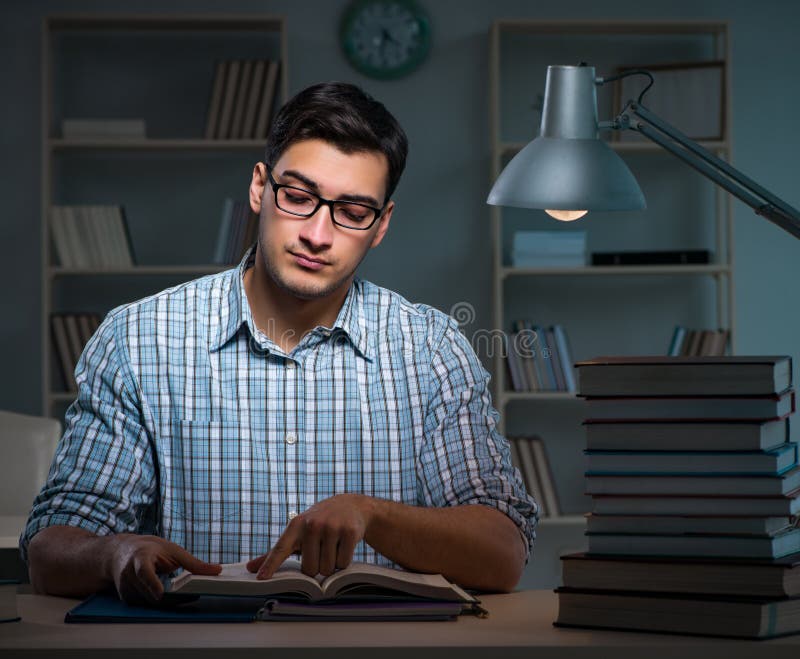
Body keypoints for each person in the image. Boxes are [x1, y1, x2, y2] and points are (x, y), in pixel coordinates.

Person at [22, 82, 537, 604]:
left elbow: (503, 552)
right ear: (259, 188)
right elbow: (50, 551)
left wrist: (373, 515)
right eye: (297, 197)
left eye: (353, 212)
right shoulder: (136, 340)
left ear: (381, 225)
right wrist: (114, 554)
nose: (318, 234)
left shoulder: (433, 350)